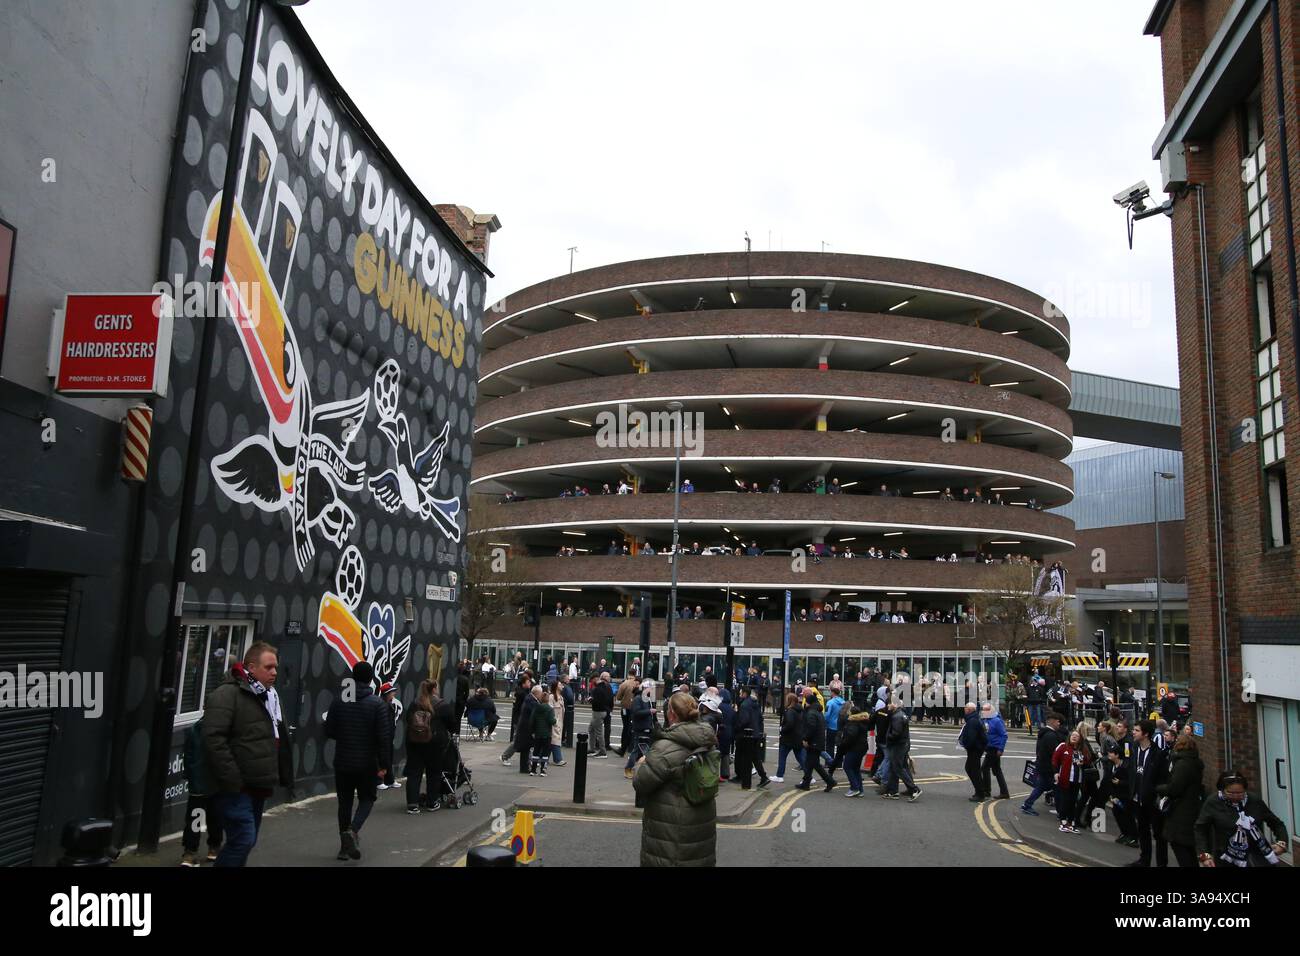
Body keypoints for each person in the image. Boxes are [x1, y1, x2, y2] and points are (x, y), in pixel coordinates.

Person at [203, 642, 289, 867]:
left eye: (276, 667)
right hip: (235, 787)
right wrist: (232, 779)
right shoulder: (227, 694)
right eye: (269, 667)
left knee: (244, 842)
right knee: (243, 839)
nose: (274, 672)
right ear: (251, 667)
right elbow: (213, 739)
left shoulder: (269, 696)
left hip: (258, 785)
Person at [633, 692, 718, 867]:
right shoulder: (707, 741)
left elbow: (640, 783)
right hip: (701, 826)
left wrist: (640, 764)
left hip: (671, 832)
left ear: (671, 713)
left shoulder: (665, 748)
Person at [324, 661, 394, 861]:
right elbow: (383, 739)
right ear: (371, 679)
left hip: (343, 760)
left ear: (353, 677)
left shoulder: (340, 700)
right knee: (367, 798)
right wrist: (385, 768)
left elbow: (329, 730)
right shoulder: (377, 704)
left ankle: (343, 848)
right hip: (367, 762)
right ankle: (352, 832)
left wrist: (346, 735)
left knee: (344, 803)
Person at [1194, 771, 1289, 867]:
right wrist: (1204, 855)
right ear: (1222, 790)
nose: (1235, 796)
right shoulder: (1213, 802)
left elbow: (1276, 823)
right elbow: (1200, 829)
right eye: (1230, 793)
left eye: (1240, 793)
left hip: (1258, 856)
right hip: (1226, 857)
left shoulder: (1254, 801)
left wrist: (1282, 842)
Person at [179, 715, 223, 866]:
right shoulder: (221, 730)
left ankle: (191, 853)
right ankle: (211, 848)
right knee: (213, 817)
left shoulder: (196, 728)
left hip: (201, 782)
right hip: (212, 782)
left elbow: (188, 756)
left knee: (198, 819)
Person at [1157, 734, 1205, 867]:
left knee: (1179, 845)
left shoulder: (1183, 764)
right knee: (1188, 847)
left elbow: (1174, 788)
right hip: (1190, 809)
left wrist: (1159, 788)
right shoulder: (1194, 762)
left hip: (1181, 811)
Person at [1126, 719, 1169, 867]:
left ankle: (1161, 863)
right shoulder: (1134, 748)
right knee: (1143, 831)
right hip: (1137, 798)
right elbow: (1131, 771)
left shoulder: (1158, 754)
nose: (1133, 732)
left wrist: (1156, 794)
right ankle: (1144, 861)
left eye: (1137, 730)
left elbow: (1163, 778)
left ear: (1145, 734)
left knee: (1159, 835)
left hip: (1152, 800)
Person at [404, 680, 447, 812]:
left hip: (415, 742)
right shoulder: (441, 705)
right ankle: (432, 802)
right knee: (433, 773)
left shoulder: (415, 703)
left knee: (414, 773)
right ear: (434, 689)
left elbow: (407, 719)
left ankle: (412, 804)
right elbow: (451, 722)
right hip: (434, 744)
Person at [1020, 712, 1065, 816]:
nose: (1059, 724)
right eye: (1058, 721)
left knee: (1040, 787)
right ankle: (1061, 813)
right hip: (1048, 768)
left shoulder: (1044, 733)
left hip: (1043, 766)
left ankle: (1027, 805)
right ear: (1052, 721)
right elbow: (1054, 753)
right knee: (1057, 789)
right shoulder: (1051, 735)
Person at [796, 687, 836, 792]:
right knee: (810, 763)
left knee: (814, 764)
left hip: (813, 742)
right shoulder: (818, 712)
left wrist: (805, 739)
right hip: (818, 741)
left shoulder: (811, 713)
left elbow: (811, 728)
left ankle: (830, 781)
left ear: (809, 703)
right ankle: (806, 783)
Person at [1051, 728, 1090, 834]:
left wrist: (1084, 763)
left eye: (1076, 736)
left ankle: (1071, 823)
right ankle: (1063, 822)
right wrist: (1055, 773)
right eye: (1072, 735)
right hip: (1065, 779)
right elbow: (1055, 760)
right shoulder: (1063, 746)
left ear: (1080, 739)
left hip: (1077, 780)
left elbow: (1088, 760)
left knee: (1073, 802)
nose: (1074, 737)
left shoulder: (1083, 749)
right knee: (1065, 800)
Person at [881, 701, 921, 801]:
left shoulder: (896, 717)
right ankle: (893, 791)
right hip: (903, 744)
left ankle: (914, 789)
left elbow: (896, 733)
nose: (888, 705)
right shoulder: (901, 714)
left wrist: (887, 737)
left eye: (890, 703)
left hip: (898, 745)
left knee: (897, 767)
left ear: (895, 705)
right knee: (896, 767)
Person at [733, 685, 771, 789]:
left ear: (745, 693)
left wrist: (736, 727)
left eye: (741, 693)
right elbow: (760, 719)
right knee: (754, 757)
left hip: (746, 735)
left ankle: (743, 778)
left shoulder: (745, 705)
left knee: (744, 756)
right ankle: (763, 777)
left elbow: (744, 721)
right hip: (755, 734)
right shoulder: (755, 703)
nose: (740, 695)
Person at [831, 704, 872, 796]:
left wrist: (842, 743)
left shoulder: (853, 723)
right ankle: (860, 789)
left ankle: (854, 788)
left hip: (854, 748)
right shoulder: (863, 721)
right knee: (855, 768)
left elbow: (850, 736)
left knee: (847, 767)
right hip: (861, 747)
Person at [980, 702, 1010, 800]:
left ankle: (986, 790)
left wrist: (1000, 749)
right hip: (989, 747)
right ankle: (1004, 792)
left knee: (985, 768)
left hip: (994, 748)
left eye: (985, 710)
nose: (983, 712)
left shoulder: (996, 721)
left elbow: (1004, 735)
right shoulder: (985, 719)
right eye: (983, 710)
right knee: (997, 770)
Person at [958, 702, 988, 801]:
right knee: (971, 769)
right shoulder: (973, 719)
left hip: (975, 749)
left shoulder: (972, 721)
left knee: (973, 770)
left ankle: (980, 793)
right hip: (976, 748)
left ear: (970, 710)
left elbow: (971, 737)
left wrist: (966, 745)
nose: (964, 710)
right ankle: (980, 791)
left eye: (965, 708)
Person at [773, 692, 804, 782]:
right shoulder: (800, 710)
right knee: (800, 758)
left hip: (788, 738)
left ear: (789, 701)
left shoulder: (790, 711)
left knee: (782, 757)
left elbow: (789, 724)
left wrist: (782, 729)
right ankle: (809, 776)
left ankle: (779, 776)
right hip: (797, 737)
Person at [529, 688, 556, 775]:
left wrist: (533, 731)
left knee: (536, 751)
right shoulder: (550, 709)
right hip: (546, 734)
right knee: (545, 752)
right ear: (548, 699)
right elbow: (551, 721)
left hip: (537, 733)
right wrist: (555, 720)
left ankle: (533, 770)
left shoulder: (536, 708)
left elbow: (532, 720)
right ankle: (542, 770)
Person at [588, 671, 613, 758]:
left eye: (592, 681)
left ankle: (602, 751)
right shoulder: (606, 686)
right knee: (591, 729)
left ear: (595, 679)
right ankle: (592, 749)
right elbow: (609, 699)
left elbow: (598, 701)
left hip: (598, 711)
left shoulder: (598, 688)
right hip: (604, 711)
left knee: (598, 732)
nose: (591, 683)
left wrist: (591, 700)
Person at [615, 672, 640, 757]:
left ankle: (623, 747)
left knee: (626, 728)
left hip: (625, 708)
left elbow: (618, 697)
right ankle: (630, 747)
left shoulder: (624, 684)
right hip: (635, 709)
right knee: (632, 728)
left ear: (628, 674)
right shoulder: (638, 683)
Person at [549, 680, 567, 767]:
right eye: (560, 684)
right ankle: (558, 759)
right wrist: (553, 721)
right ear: (556, 686)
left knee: (551, 741)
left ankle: (542, 758)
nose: (562, 686)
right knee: (555, 740)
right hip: (554, 722)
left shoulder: (561, 697)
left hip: (559, 723)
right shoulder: (551, 697)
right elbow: (549, 709)